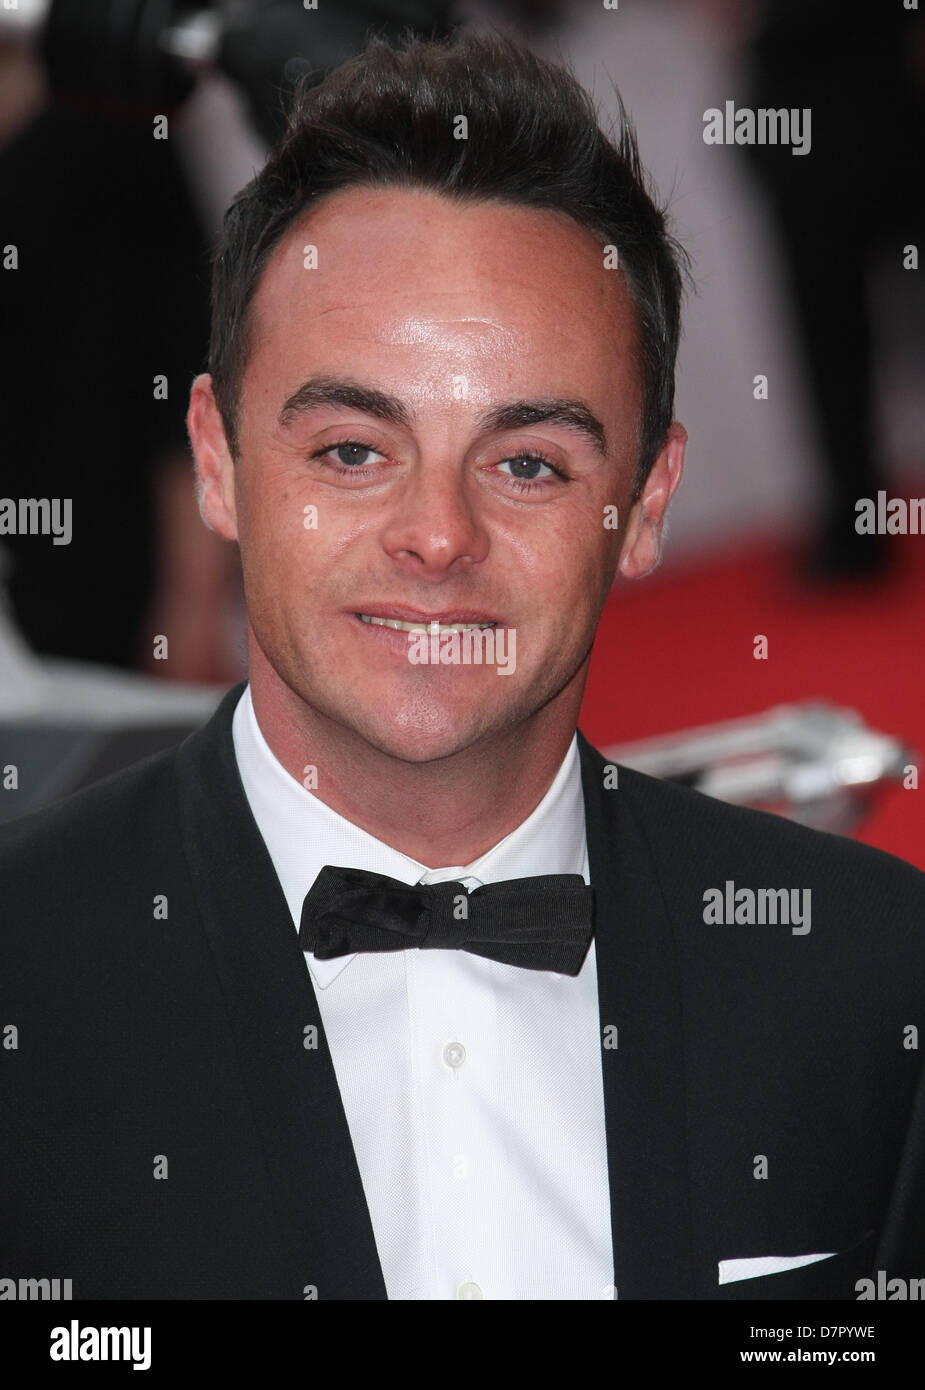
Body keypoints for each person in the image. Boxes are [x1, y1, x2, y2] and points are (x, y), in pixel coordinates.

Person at [1, 28, 923, 1303]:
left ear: (647, 499)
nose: (437, 536)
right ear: (217, 458)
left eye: (529, 463)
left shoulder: (872, 976)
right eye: (350, 450)